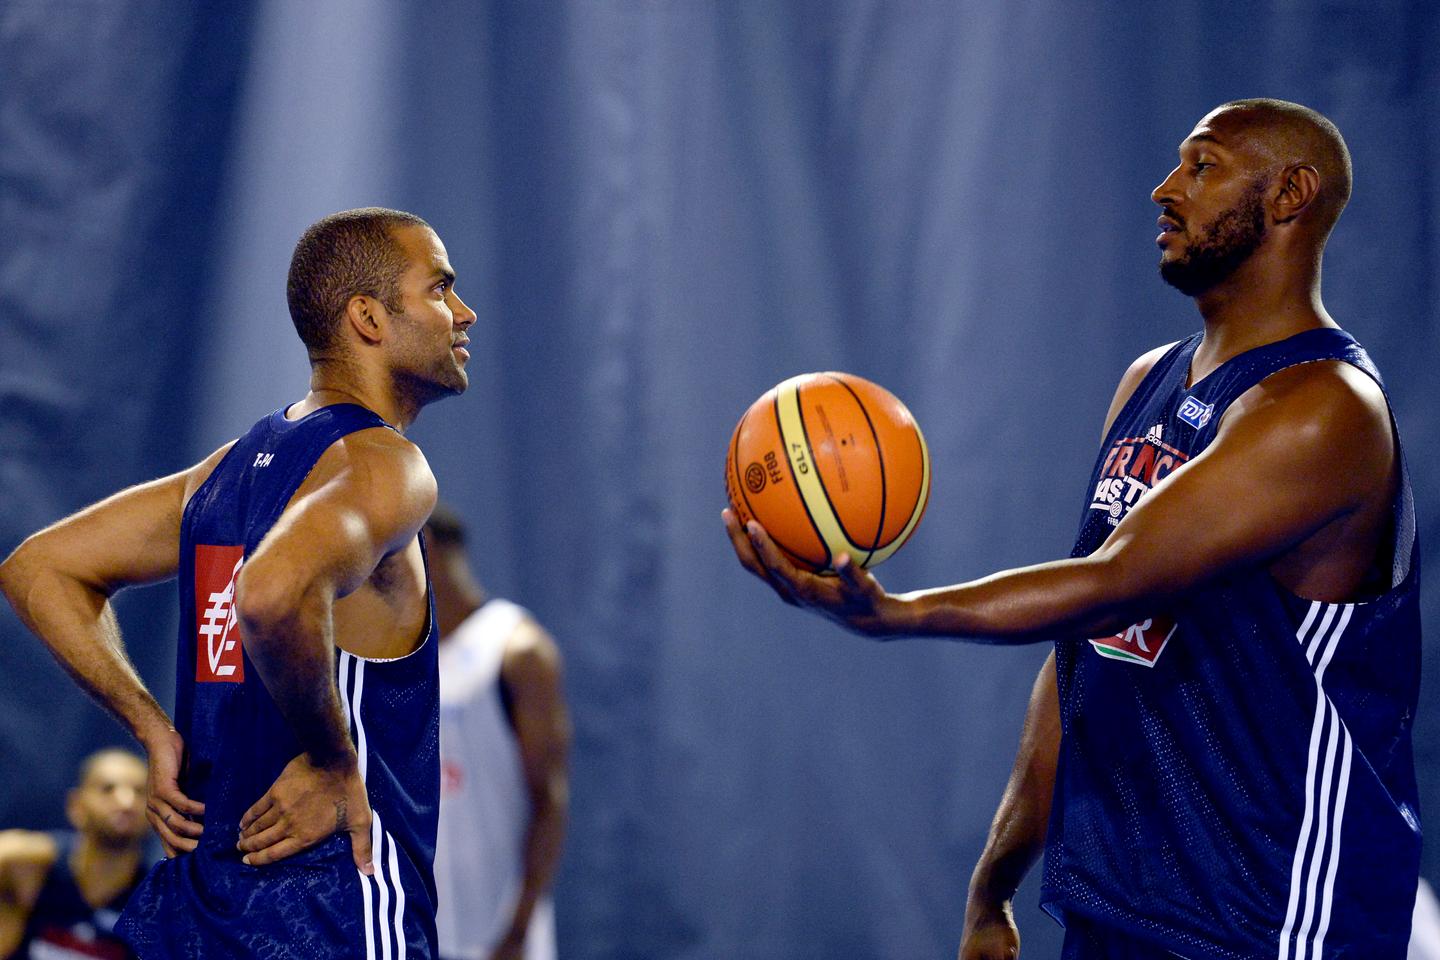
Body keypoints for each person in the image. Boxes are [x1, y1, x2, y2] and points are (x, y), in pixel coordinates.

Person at [723, 99, 1420, 960]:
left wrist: (897, 614)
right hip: (1119, 902)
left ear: (1290, 195)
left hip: (1274, 916)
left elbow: (1113, 581)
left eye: (1202, 166)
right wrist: (992, 886)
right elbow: (1090, 644)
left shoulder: (1325, 411)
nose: (1166, 189)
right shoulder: (1149, 384)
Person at [0, 207, 478, 958]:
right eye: (440, 287)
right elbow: (269, 593)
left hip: (196, 914)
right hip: (329, 908)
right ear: (368, 318)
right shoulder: (387, 466)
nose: (463, 311)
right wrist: (330, 758)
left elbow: (39, 567)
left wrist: (151, 728)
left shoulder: (222, 474)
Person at [423, 504, 570, 960]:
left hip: (497, 940)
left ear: (423, 548)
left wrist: (517, 930)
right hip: (419, 935)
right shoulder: (401, 657)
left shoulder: (516, 649)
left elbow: (550, 800)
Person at [0, 749, 151, 959]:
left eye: (140, 791)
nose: (126, 802)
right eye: (108, 789)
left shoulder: (160, 902)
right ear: (76, 806)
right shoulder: (24, 865)